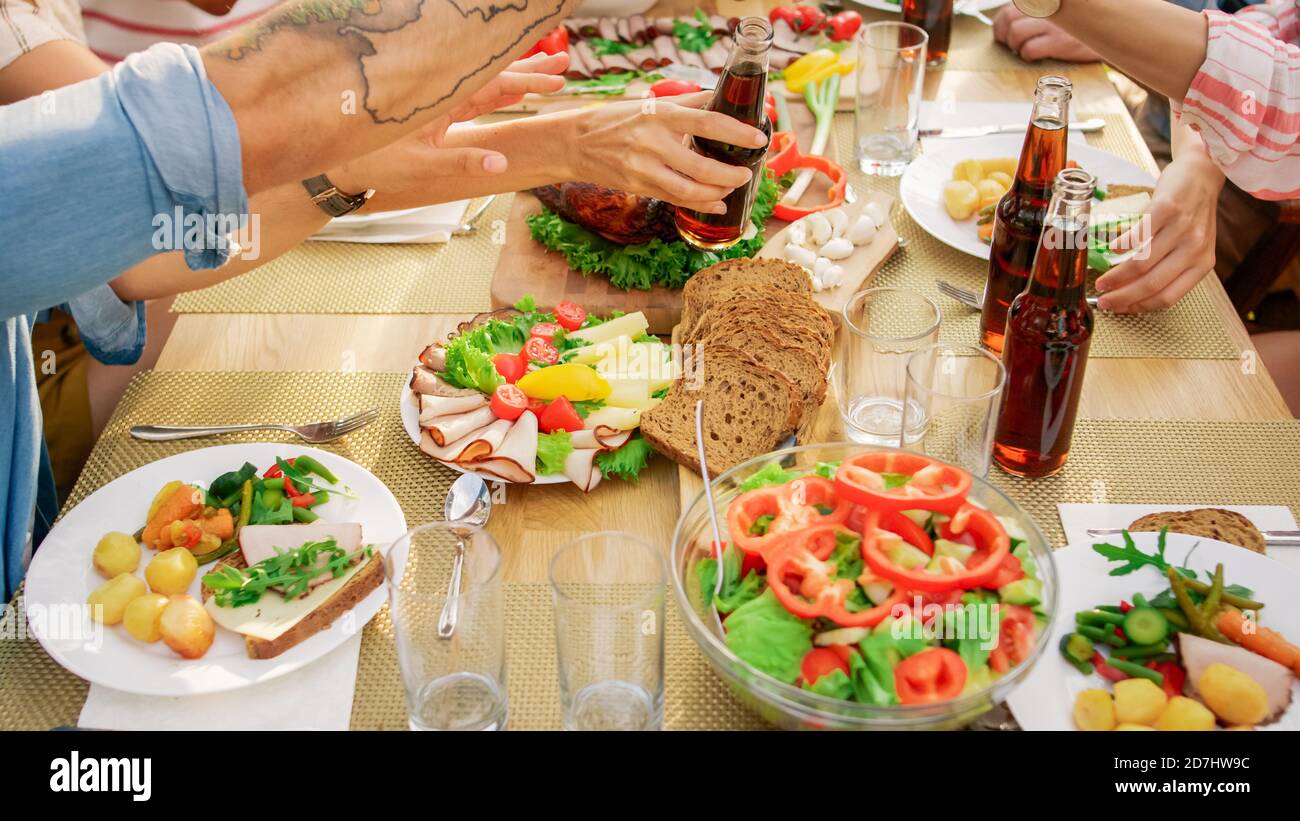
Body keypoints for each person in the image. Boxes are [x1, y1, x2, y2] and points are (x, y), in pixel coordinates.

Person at [0, 0, 770, 596]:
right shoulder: (18, 35)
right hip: (51, 394)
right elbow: (186, 180)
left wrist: (567, 144)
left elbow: (219, 207)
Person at [991, 0, 1288, 314]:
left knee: (1090, 303)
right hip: (1176, 127)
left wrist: (1080, 15)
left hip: (1249, 180)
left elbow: (1278, 89)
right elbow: (1254, 35)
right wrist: (1198, 159)